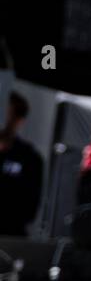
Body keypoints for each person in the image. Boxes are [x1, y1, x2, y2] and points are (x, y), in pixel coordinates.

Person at [0, 92, 43, 236]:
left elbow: (30, 209)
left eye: (8, 114)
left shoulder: (30, 158)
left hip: (9, 236)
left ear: (19, 120)